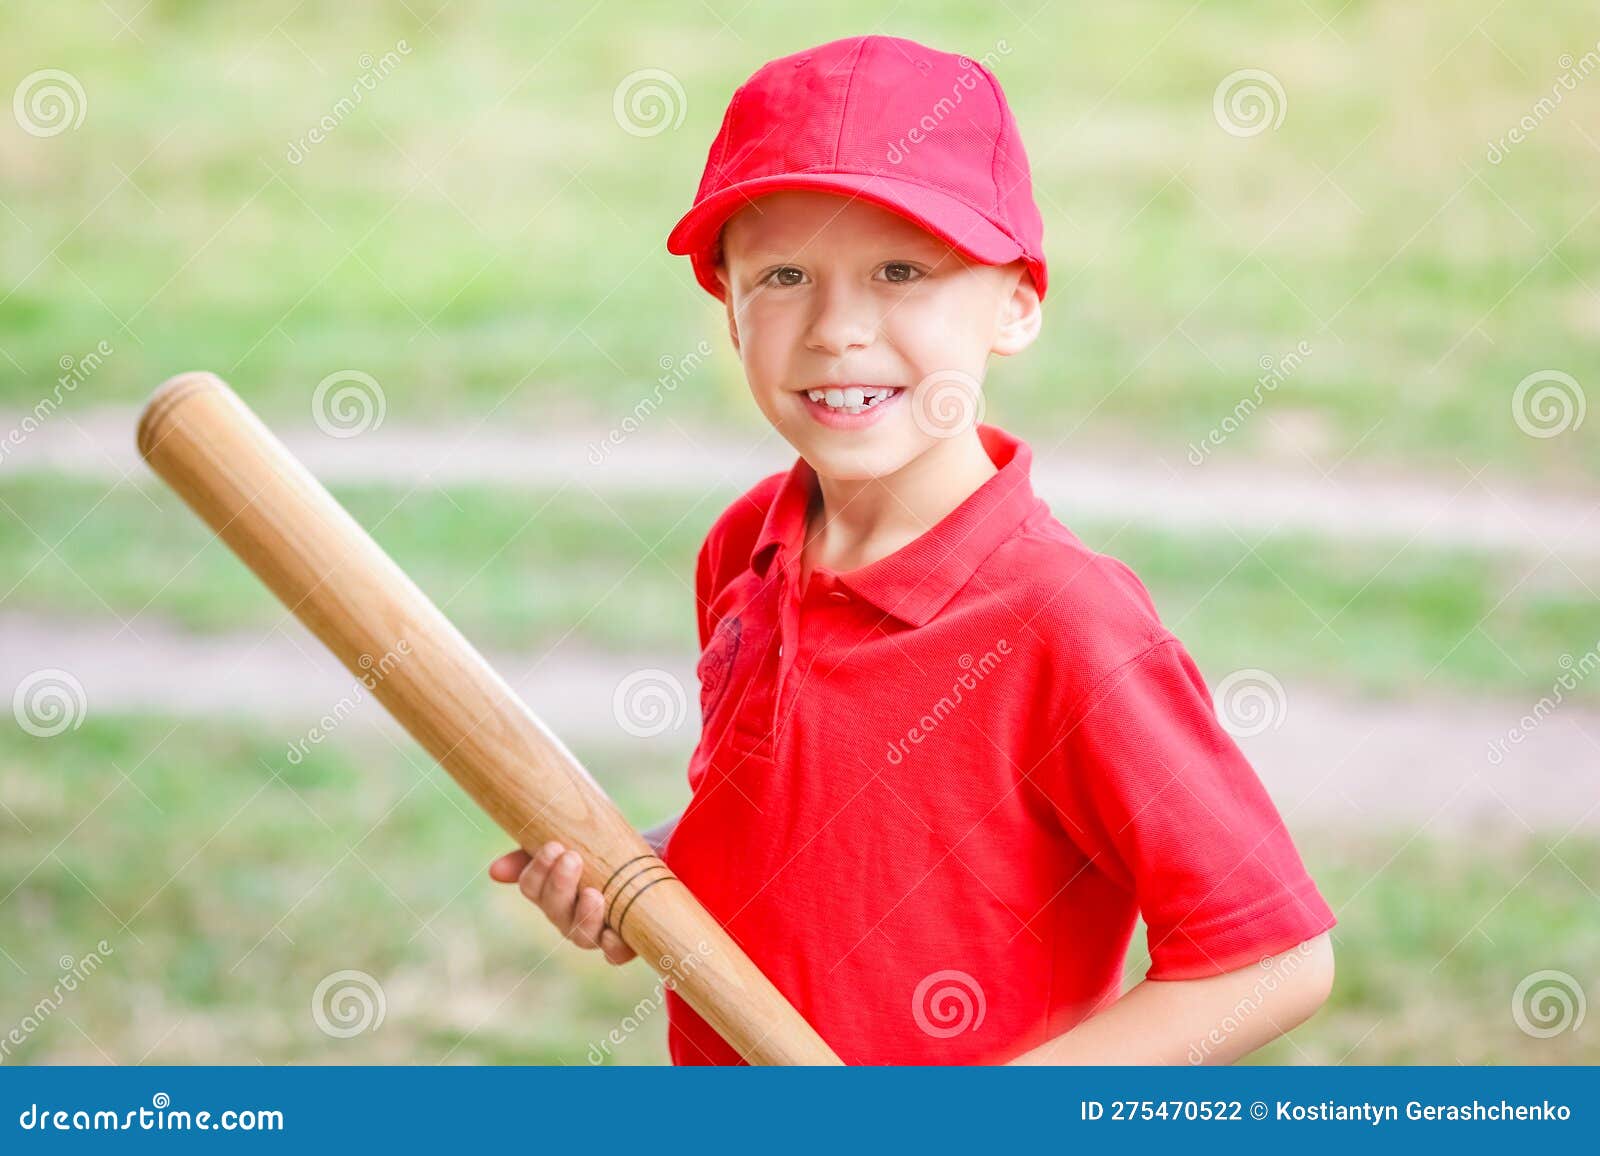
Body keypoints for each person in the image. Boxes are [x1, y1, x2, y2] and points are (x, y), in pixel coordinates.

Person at [489, 33, 1336, 1065]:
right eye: (784, 274)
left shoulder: (1060, 617)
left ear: (1017, 304)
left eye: (901, 271)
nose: (837, 329)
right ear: (729, 307)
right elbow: (828, 836)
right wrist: (651, 881)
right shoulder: (745, 547)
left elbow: (1272, 958)